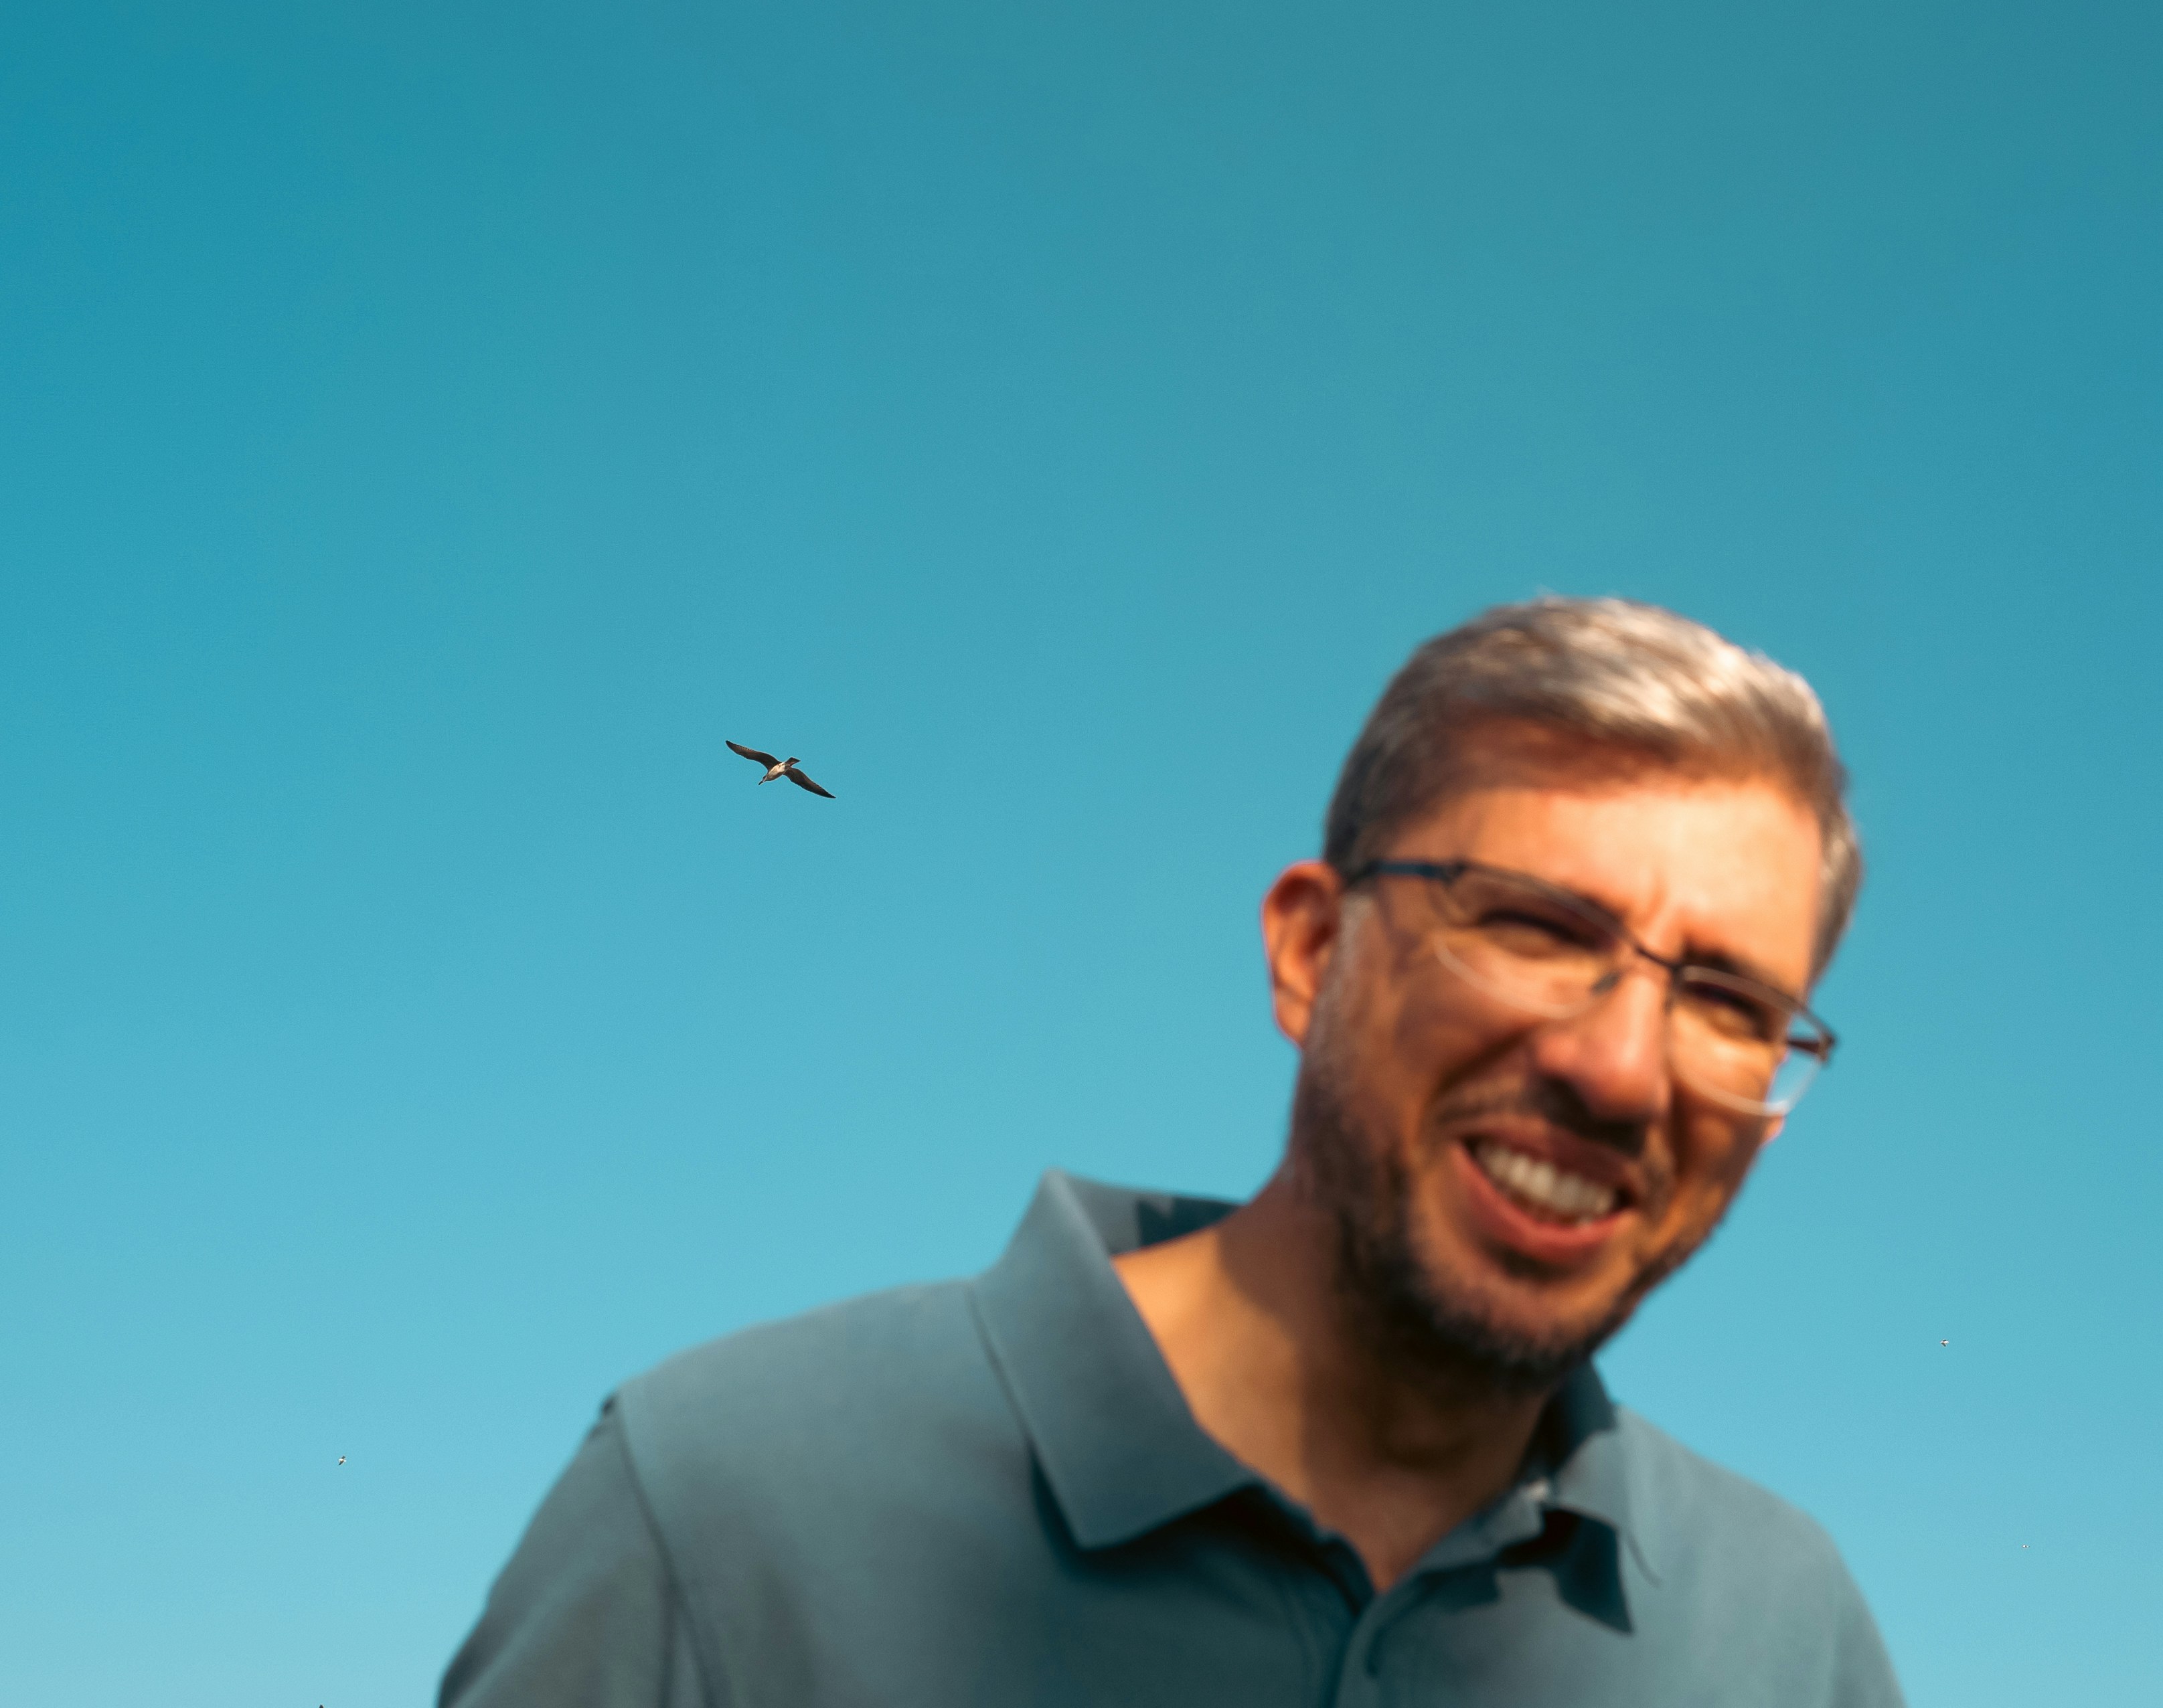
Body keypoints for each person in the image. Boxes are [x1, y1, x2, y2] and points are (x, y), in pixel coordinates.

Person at [442, 596, 1903, 1706]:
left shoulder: (1786, 1633)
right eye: (1532, 923)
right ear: (1312, 951)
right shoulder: (720, 1505)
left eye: (1731, 1003)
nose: (1619, 1066)